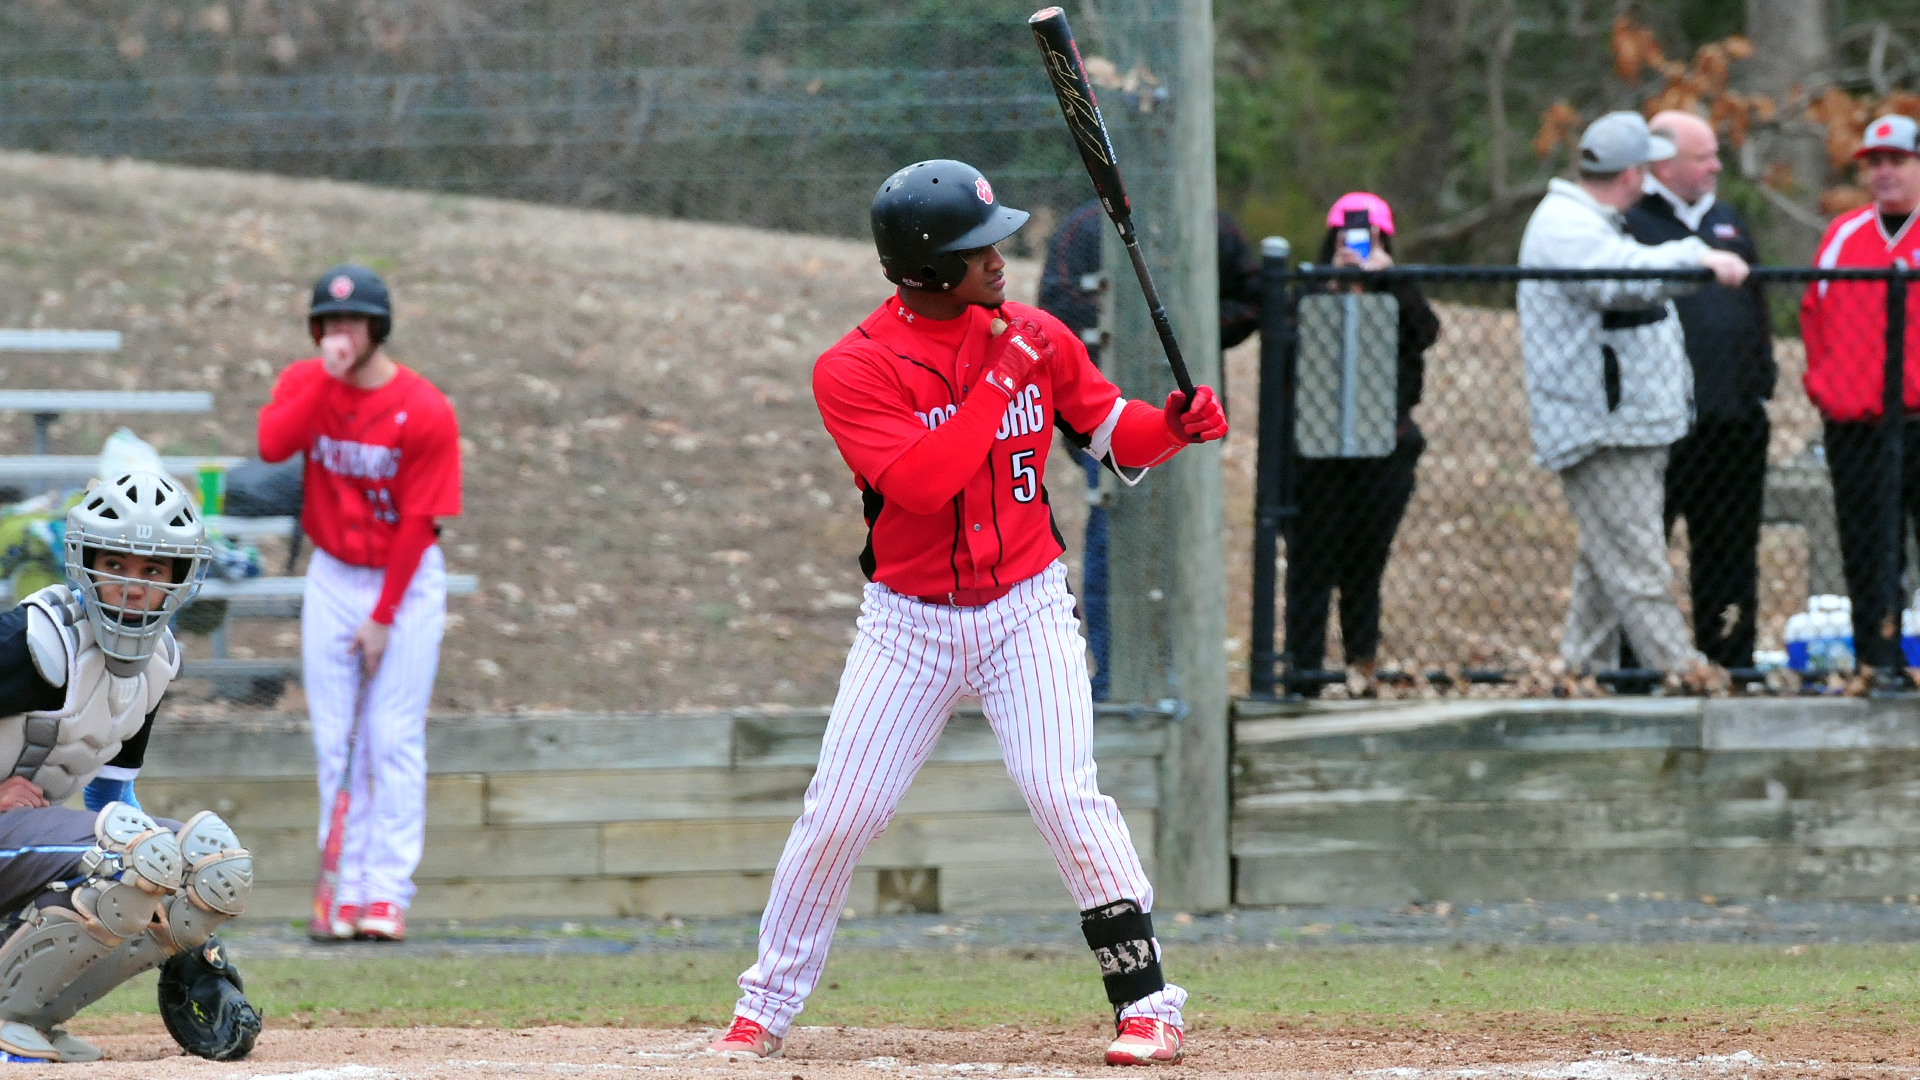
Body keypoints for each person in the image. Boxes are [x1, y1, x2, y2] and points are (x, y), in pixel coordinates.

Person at [706, 160, 1228, 1067]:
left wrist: (1175, 426)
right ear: (923, 268)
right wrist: (998, 377)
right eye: (977, 247)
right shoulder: (854, 367)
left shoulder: (1035, 334)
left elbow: (1114, 435)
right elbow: (921, 482)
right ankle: (764, 1007)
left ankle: (1148, 1006)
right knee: (842, 811)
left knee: (1064, 793)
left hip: (1026, 607)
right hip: (908, 623)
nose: (1001, 257)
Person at [0, 471, 258, 1062]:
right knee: (132, 853)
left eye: (153, 571)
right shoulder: (33, 641)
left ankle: (35, 1019)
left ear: (180, 580)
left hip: (16, 848)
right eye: (116, 564)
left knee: (212, 865)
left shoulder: (157, 661)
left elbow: (114, 802)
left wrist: (188, 936)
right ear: (85, 562)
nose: (134, 587)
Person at [259, 264, 462, 943]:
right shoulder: (305, 385)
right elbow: (271, 445)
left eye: (353, 322)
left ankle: (386, 893)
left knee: (389, 738)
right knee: (333, 737)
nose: (340, 334)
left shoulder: (424, 408)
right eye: (330, 322)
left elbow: (419, 523)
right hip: (332, 573)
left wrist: (383, 618)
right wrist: (324, 375)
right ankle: (340, 889)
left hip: (402, 579)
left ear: (379, 327)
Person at [1517, 111, 1749, 689]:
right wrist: (1696, 257)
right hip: (1603, 427)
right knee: (1637, 561)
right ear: (1632, 175)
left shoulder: (1594, 221)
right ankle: (1685, 671)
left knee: (1604, 561)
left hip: (1624, 424)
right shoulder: (1567, 226)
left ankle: (1579, 673)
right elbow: (1619, 277)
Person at [1037, 203, 1261, 699]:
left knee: (1189, 539)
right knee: (1111, 535)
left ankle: (1183, 676)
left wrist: (1194, 323)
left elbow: (1253, 298)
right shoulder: (1084, 227)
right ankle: (1115, 675)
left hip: (1187, 417)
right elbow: (1057, 308)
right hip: (1103, 413)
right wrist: (1126, 326)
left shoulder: (1209, 223)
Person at [1623, 110, 1776, 670]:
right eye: (1703, 156)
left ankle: (1729, 664)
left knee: (1729, 555)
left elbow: (1757, 309)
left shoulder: (1729, 221)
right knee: (1640, 556)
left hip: (1732, 424)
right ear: (1664, 162)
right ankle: (1634, 670)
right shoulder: (1631, 222)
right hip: (1655, 428)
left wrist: (1759, 386)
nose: (1716, 166)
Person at [1283, 192, 1439, 693]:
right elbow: (1285, 338)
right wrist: (1330, 282)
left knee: (1364, 566)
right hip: (1314, 451)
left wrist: (1388, 278)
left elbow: (1426, 332)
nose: (1358, 245)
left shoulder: (1397, 292)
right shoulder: (1308, 289)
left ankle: (1361, 670)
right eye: (1348, 237)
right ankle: (1303, 675)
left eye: (1372, 238)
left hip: (1385, 449)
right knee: (1310, 566)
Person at [1800, 113, 1920, 677]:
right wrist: (1828, 388)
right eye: (1875, 164)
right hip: (1859, 426)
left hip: (1918, 420)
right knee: (1869, 551)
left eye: (1897, 161)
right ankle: (1878, 662)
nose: (1884, 173)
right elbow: (1814, 316)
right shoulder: (1844, 235)